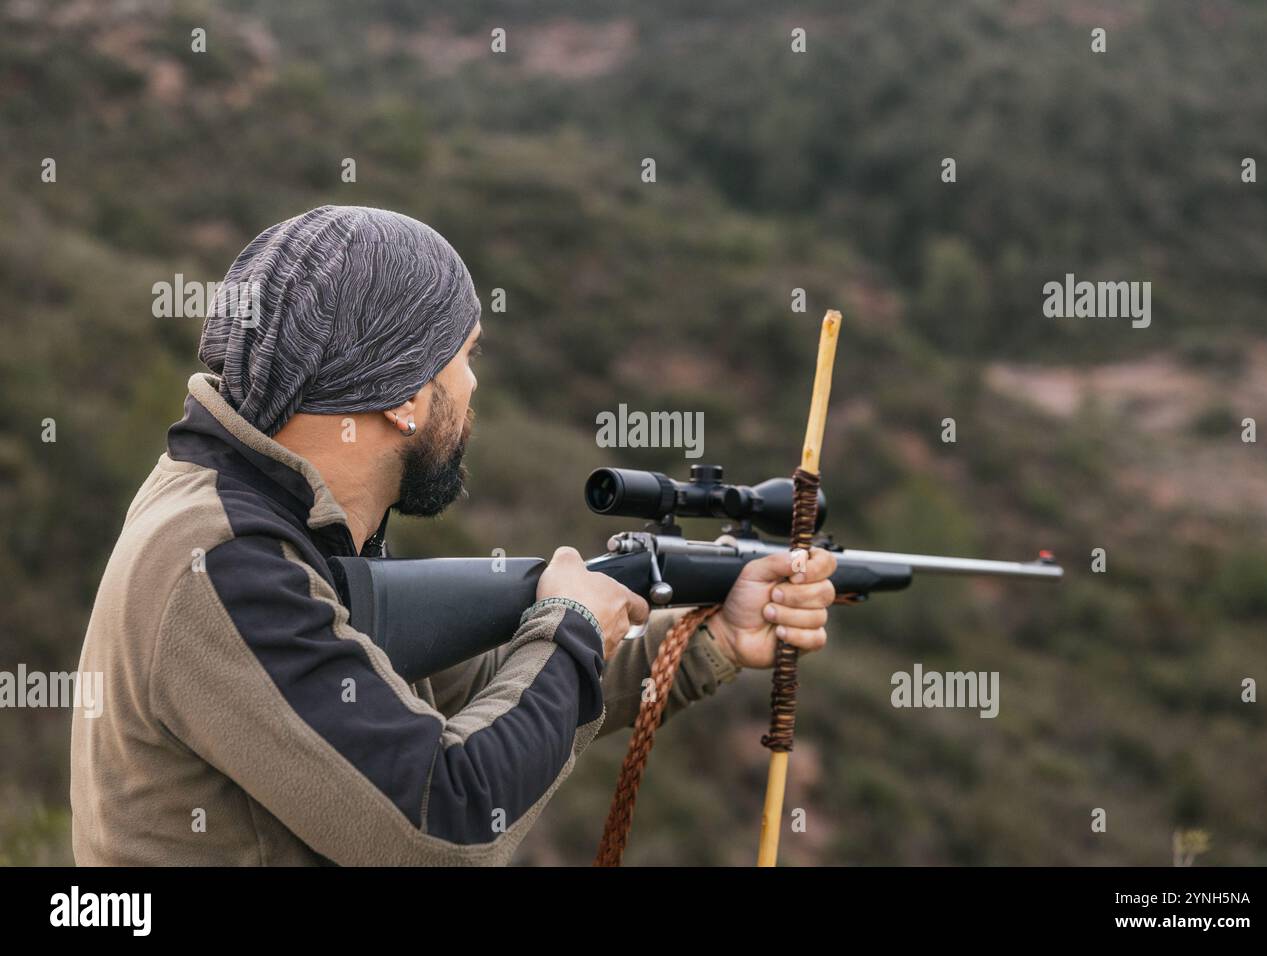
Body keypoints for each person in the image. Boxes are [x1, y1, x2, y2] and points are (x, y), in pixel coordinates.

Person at [70, 205, 837, 865]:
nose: (473, 388)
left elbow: (476, 691)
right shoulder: (227, 561)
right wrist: (569, 626)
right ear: (404, 397)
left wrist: (709, 641)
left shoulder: (272, 513)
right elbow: (445, 823)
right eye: (464, 357)